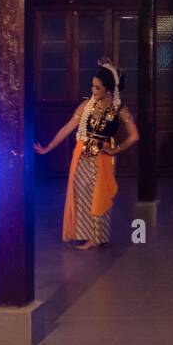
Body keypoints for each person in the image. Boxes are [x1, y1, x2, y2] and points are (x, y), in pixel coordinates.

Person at [35, 58, 139, 250]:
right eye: (92, 86)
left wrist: (116, 149)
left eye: (97, 88)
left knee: (99, 195)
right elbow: (67, 128)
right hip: (81, 156)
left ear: (108, 89)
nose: (93, 90)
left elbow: (134, 136)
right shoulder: (86, 106)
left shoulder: (120, 110)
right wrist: (48, 148)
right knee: (80, 194)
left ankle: (98, 237)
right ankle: (85, 235)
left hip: (102, 157)